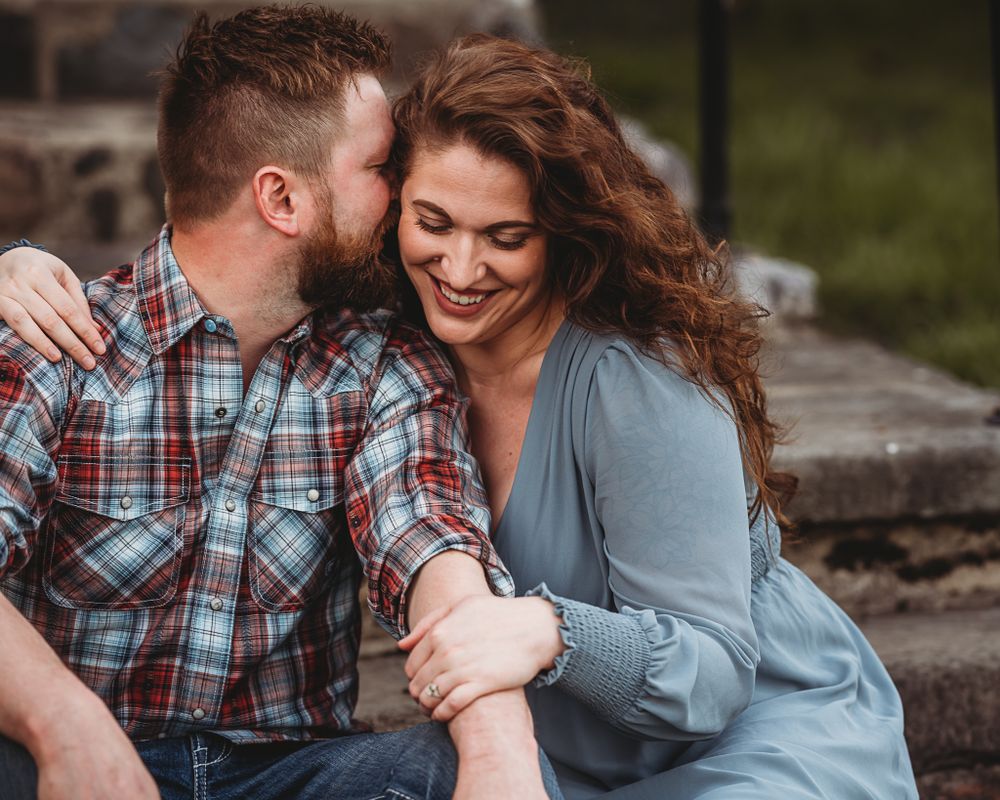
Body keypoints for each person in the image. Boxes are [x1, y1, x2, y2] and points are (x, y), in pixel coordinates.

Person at [0, 33, 919, 800]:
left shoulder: (620, 383)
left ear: (560, 233)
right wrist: (16, 261)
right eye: (420, 207)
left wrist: (523, 687)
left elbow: (434, 543)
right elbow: (209, 273)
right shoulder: (364, 320)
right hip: (570, 756)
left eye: (506, 237)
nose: (462, 266)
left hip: (726, 736)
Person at [0, 10, 560, 800]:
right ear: (282, 199)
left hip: (284, 772)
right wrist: (66, 726)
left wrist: (502, 760)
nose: (405, 194)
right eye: (380, 166)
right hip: (72, 761)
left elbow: (432, 540)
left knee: (440, 771)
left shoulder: (382, 362)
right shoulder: (55, 341)